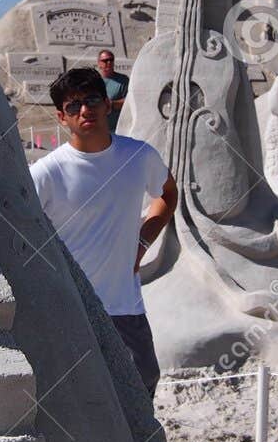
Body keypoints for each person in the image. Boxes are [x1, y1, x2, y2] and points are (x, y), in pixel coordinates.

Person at [30, 67, 177, 396]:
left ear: (108, 105)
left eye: (93, 99)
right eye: (73, 105)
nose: (85, 109)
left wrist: (143, 240)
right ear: (61, 117)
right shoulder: (45, 173)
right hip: (71, 311)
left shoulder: (139, 155)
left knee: (142, 392)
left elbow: (168, 194)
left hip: (125, 307)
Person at [95, 50, 130, 132]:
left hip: (117, 130)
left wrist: (112, 104)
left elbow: (129, 101)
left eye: (111, 60)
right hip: (97, 130)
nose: (108, 62)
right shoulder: (94, 80)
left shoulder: (123, 80)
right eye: (105, 60)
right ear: (99, 63)